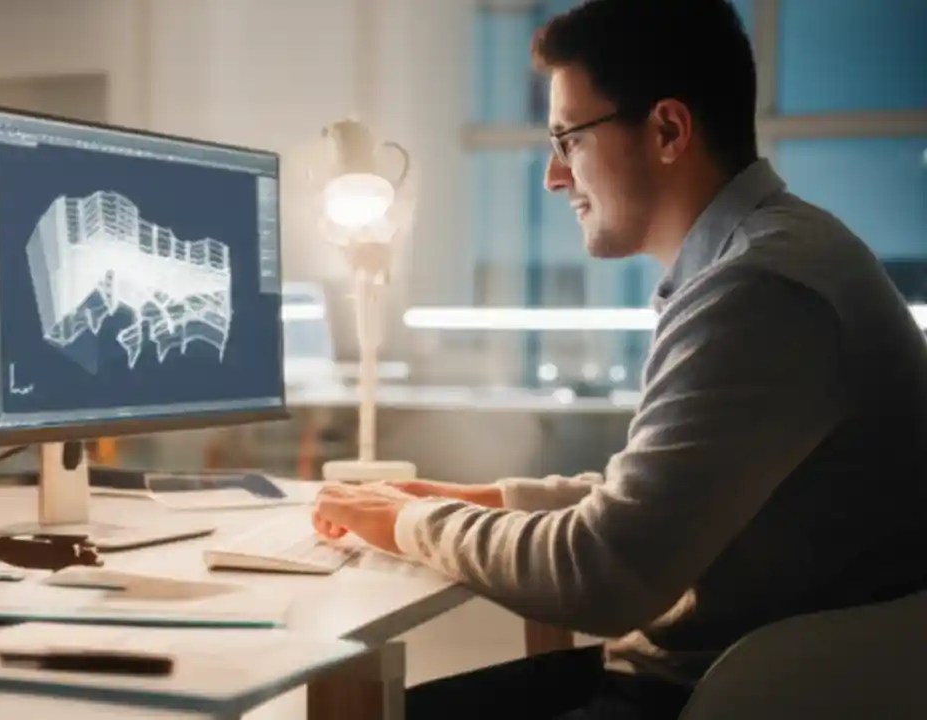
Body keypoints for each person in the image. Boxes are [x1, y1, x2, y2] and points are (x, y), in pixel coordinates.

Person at [311, 1, 927, 718]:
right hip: (730, 672)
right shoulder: (772, 259)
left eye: (567, 138)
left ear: (668, 129)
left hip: (713, 695)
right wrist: (473, 501)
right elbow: (654, 506)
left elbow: (603, 573)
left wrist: (401, 525)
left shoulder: (762, 288)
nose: (553, 175)